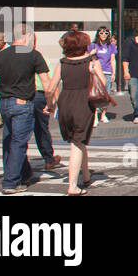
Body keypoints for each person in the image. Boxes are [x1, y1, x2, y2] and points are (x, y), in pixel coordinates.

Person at [0, 24, 51, 194]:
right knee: (18, 142)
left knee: (9, 139)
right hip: (23, 103)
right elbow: (46, 81)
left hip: (4, 103)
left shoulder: (1, 56)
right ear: (28, 36)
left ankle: (24, 173)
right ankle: (11, 182)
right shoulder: (33, 55)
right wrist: (50, 102)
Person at [42, 30, 101, 195]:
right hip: (83, 102)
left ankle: (87, 175)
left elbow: (51, 87)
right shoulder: (92, 61)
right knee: (77, 143)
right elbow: (102, 83)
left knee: (78, 140)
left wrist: (49, 104)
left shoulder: (62, 63)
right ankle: (73, 186)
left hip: (65, 101)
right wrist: (93, 73)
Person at [89, 27, 117, 124]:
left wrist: (114, 72)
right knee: (96, 94)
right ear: (98, 34)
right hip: (96, 72)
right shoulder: (93, 45)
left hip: (107, 72)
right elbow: (89, 57)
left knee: (106, 94)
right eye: (101, 33)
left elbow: (113, 59)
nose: (104, 35)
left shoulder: (111, 46)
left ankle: (103, 114)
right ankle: (95, 115)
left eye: (106, 33)